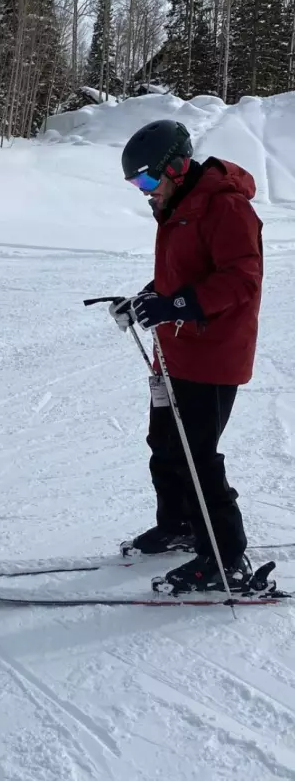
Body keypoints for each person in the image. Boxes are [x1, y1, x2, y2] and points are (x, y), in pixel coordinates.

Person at [111, 119, 263, 593]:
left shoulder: (225, 207)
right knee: (164, 444)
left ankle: (225, 559)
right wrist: (146, 297)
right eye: (136, 183)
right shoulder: (179, 207)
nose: (145, 191)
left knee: (197, 457)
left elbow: (241, 280)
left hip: (213, 355)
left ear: (176, 167)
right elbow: (184, 275)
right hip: (176, 353)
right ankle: (179, 524)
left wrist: (174, 305)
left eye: (148, 180)